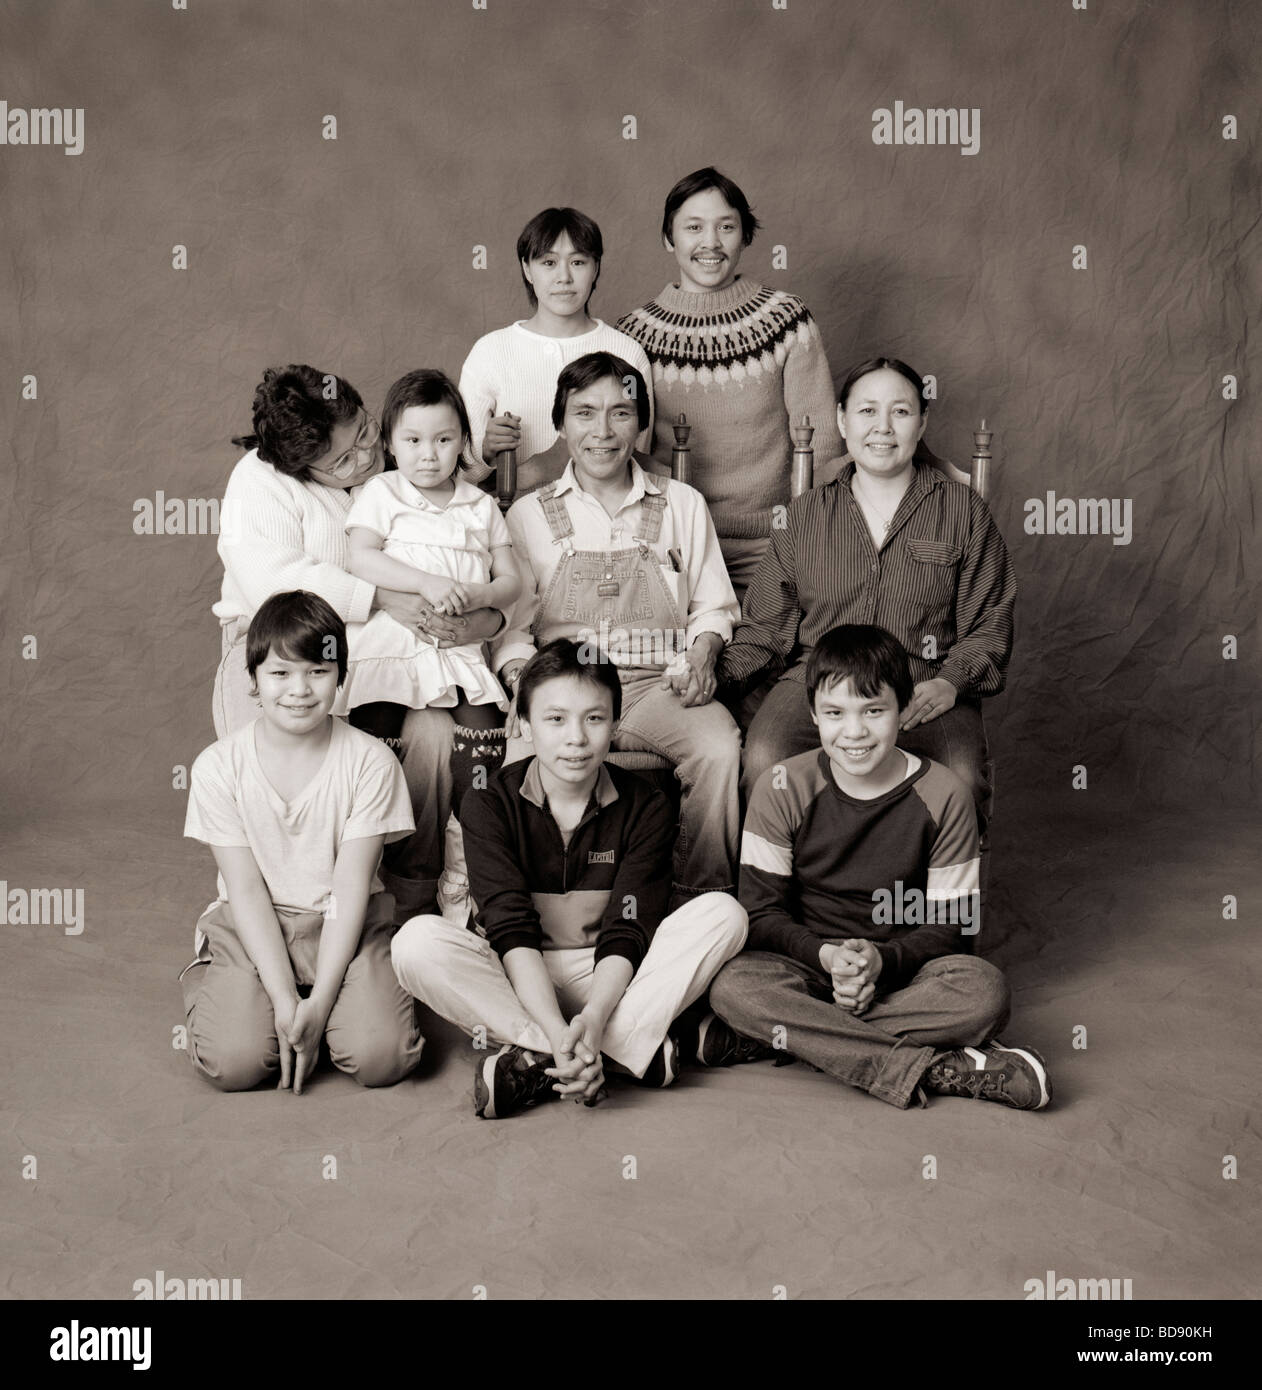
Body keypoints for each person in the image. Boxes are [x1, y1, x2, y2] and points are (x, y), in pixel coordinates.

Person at [390, 639, 748, 1119]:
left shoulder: (645, 805)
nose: (576, 738)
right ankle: (596, 1051)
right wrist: (564, 1036)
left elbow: (629, 929)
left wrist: (595, 1017)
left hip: (609, 972)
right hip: (517, 972)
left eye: (594, 719)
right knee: (414, 943)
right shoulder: (489, 803)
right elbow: (511, 929)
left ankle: (543, 1058)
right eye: (555, 719)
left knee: (724, 914)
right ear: (524, 723)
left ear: (615, 724)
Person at [704, 625, 1050, 1111]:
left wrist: (880, 962)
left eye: (873, 710)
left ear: (903, 709)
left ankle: (783, 1036)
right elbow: (760, 915)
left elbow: (951, 927)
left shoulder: (946, 794)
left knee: (984, 992)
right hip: (806, 967)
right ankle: (928, 1067)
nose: (854, 732)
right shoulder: (781, 786)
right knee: (732, 986)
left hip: (902, 976)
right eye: (835, 713)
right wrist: (826, 957)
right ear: (812, 714)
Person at [214, 364, 506, 917]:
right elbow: (275, 582)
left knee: (438, 736)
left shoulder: (400, 461)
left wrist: (485, 620)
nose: (367, 459)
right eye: (341, 462)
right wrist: (383, 597)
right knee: (292, 777)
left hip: (404, 652)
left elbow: (466, 545)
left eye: (366, 433)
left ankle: (413, 893)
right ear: (301, 468)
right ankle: (293, 910)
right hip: (283, 648)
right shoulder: (260, 478)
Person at [719, 357, 1017, 832]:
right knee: (764, 759)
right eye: (866, 412)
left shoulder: (963, 510)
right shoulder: (807, 513)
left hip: (923, 684)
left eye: (900, 412)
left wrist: (952, 682)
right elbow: (765, 630)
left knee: (961, 777)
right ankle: (775, 896)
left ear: (922, 422)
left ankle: (945, 900)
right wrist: (711, 681)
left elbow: (990, 623)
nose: (882, 427)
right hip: (819, 682)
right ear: (841, 420)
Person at [494, 352, 743, 901]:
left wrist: (701, 655)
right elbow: (511, 629)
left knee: (721, 750)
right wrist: (522, 683)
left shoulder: (682, 504)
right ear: (561, 424)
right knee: (513, 772)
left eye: (621, 412)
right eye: (584, 413)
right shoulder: (528, 515)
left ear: (641, 423)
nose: (602, 432)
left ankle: (699, 905)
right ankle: (530, 915)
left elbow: (713, 607)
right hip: (566, 688)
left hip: (658, 685)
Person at [181, 591, 424, 1093]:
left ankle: (338, 999)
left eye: (318, 671)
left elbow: (350, 886)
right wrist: (286, 998)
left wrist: (319, 1002)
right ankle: (221, 974)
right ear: (253, 679)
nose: (300, 689)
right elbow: (245, 889)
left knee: (382, 1059)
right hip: (256, 922)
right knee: (237, 1064)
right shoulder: (218, 767)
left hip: (345, 924)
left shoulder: (371, 762)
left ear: (341, 677)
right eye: (280, 673)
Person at [617, 166, 843, 600]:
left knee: (778, 658)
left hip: (775, 546)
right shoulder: (631, 337)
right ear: (669, 239)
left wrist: (814, 548)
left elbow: (824, 449)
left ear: (744, 236)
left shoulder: (787, 321)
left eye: (726, 227)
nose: (710, 243)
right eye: (693, 227)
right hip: (670, 542)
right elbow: (627, 453)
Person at [340, 369, 520, 813]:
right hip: (392, 641)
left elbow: (513, 582)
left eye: (443, 440)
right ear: (389, 443)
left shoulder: (479, 505)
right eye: (413, 440)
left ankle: (466, 855)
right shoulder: (382, 492)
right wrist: (424, 582)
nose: (428, 455)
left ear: (463, 441)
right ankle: (364, 842)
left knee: (485, 745)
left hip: (458, 649)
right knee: (371, 746)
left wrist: (480, 596)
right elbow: (360, 557)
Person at [458, 207, 653, 477]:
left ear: (595, 268)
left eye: (578, 262)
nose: (564, 278)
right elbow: (462, 472)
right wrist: (487, 451)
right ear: (527, 269)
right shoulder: (490, 352)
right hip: (512, 511)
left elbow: (638, 449)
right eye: (548, 263)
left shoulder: (627, 353)